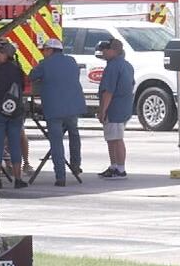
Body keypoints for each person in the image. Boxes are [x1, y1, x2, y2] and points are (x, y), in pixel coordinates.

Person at [26, 37, 85, 185]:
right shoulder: (71, 61)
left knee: (57, 142)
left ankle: (60, 176)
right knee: (74, 134)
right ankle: (76, 165)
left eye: (44, 50)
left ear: (50, 50)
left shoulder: (44, 64)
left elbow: (32, 76)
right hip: (73, 107)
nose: (43, 53)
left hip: (54, 108)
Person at [94, 38, 135, 178]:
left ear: (113, 50)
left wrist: (102, 110)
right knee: (111, 138)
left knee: (116, 139)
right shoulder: (127, 65)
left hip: (114, 108)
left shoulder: (113, 66)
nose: (103, 53)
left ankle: (120, 169)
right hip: (124, 107)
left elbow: (108, 92)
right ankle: (114, 166)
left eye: (105, 50)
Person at [0, 41, 28, 188]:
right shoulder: (17, 69)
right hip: (15, 112)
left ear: (7, 55)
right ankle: (18, 179)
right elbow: (22, 88)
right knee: (15, 145)